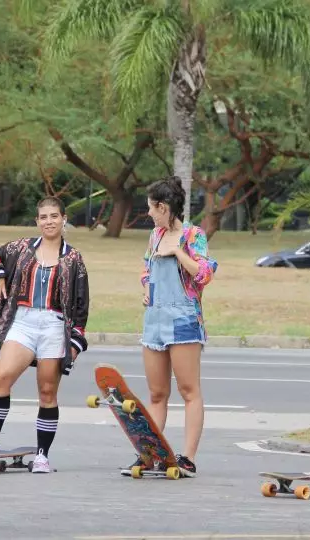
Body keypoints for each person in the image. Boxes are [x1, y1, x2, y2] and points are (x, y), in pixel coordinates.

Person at [0, 197, 89, 473]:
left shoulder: (73, 258)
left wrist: (75, 342)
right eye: (43, 217)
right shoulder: (21, 248)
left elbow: (82, 305)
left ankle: (42, 455)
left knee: (47, 391)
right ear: (37, 221)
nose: (48, 221)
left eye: (54, 216)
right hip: (22, 321)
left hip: (54, 325)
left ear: (63, 219)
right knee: (3, 377)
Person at [127, 175, 217, 477]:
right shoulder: (153, 236)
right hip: (154, 319)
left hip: (184, 319)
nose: (149, 213)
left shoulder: (193, 235)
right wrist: (146, 287)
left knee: (189, 390)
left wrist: (178, 252)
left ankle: (188, 457)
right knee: (156, 393)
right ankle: (149, 454)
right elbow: (145, 268)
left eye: (152, 208)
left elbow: (204, 274)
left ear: (164, 207)